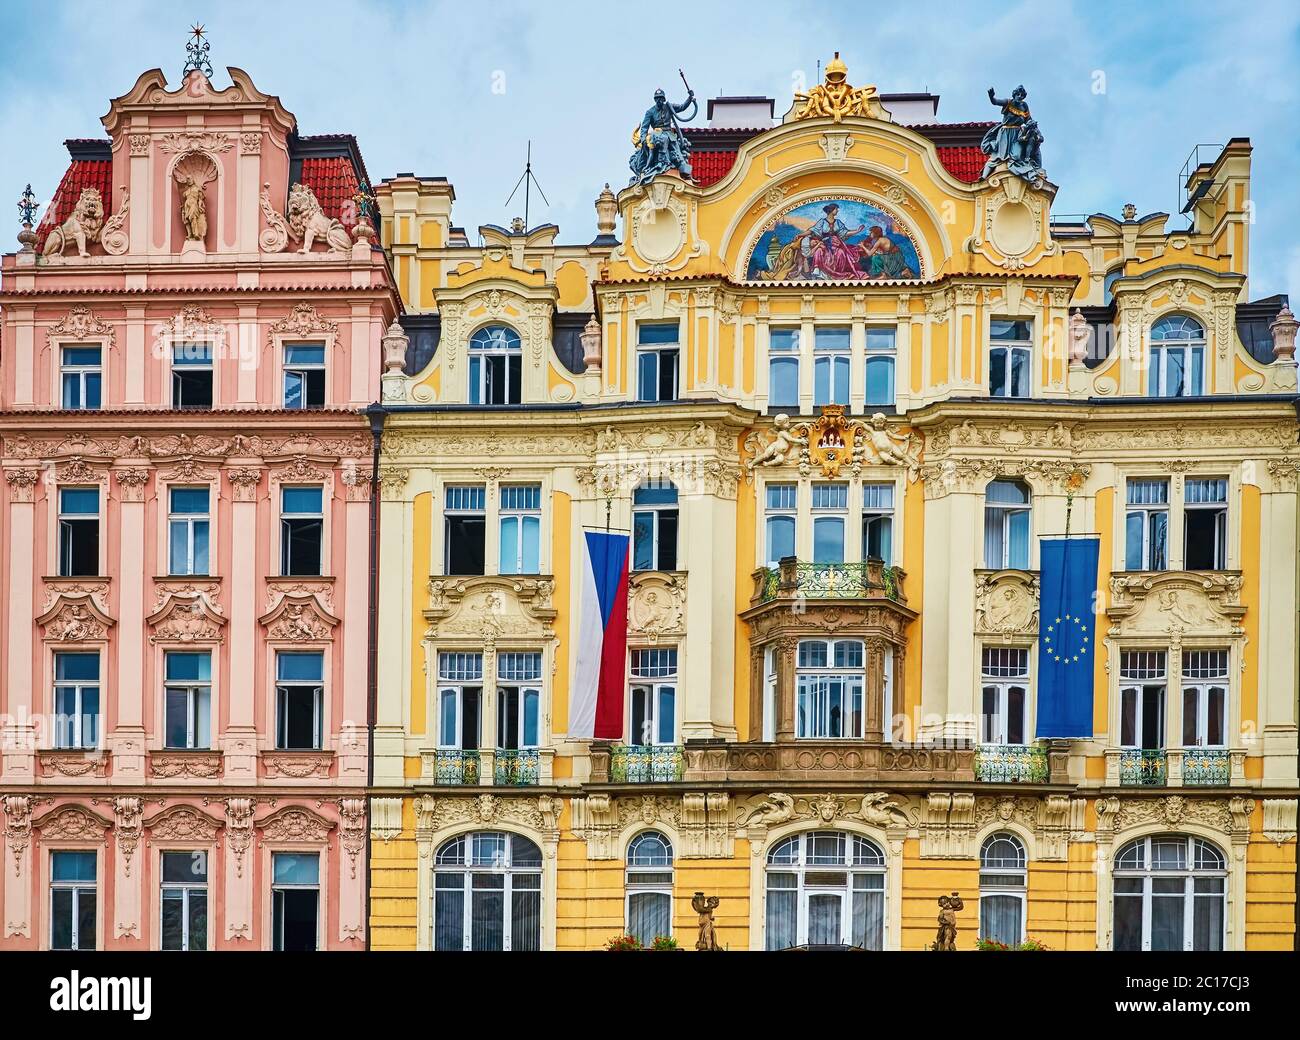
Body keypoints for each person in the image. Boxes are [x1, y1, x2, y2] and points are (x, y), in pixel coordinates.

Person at [629, 88, 698, 185]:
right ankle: (660, 164)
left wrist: (690, 98)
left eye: (661, 98)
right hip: (657, 134)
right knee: (660, 143)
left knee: (678, 155)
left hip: (669, 133)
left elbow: (682, 107)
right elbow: (644, 128)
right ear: (654, 99)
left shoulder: (669, 107)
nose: (659, 100)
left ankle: (685, 173)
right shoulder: (650, 112)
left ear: (664, 99)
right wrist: (644, 139)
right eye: (657, 98)